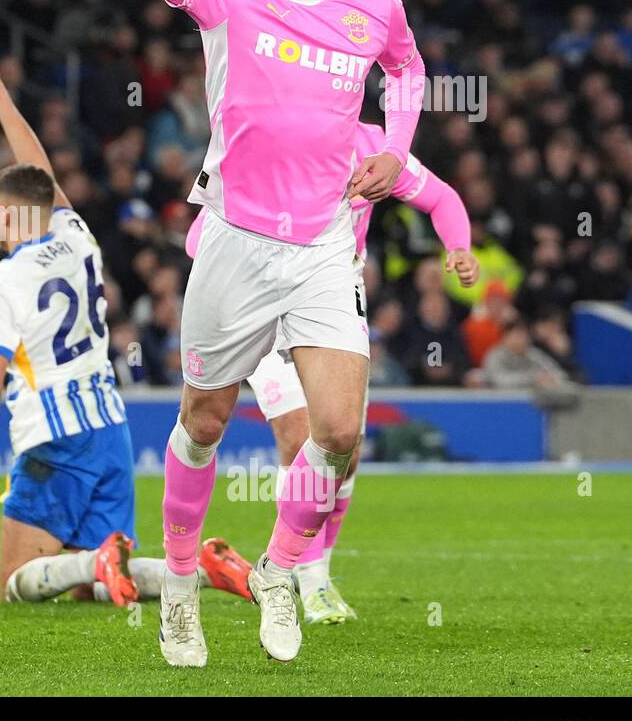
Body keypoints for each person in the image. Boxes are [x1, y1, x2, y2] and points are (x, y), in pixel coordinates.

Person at [39, 0, 425, 665]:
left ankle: (282, 569)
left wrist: (395, 152)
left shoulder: (373, 11)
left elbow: (408, 69)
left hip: (323, 244)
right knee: (204, 422)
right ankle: (179, 583)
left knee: (339, 432)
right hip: (235, 240)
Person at [0, 26, 253, 608]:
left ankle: (111, 559)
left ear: (6, 218)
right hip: (109, 429)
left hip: (54, 439)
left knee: (15, 583)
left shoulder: (1, 284)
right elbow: (41, 173)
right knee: (91, 588)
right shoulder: (78, 236)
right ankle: (204, 571)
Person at [184, 119, 480, 624]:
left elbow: (442, 199)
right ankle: (307, 578)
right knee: (299, 432)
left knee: (343, 446)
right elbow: (197, 238)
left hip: (335, 292)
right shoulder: (272, 135)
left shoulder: (376, 148)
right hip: (261, 292)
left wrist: (459, 247)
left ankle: (312, 570)